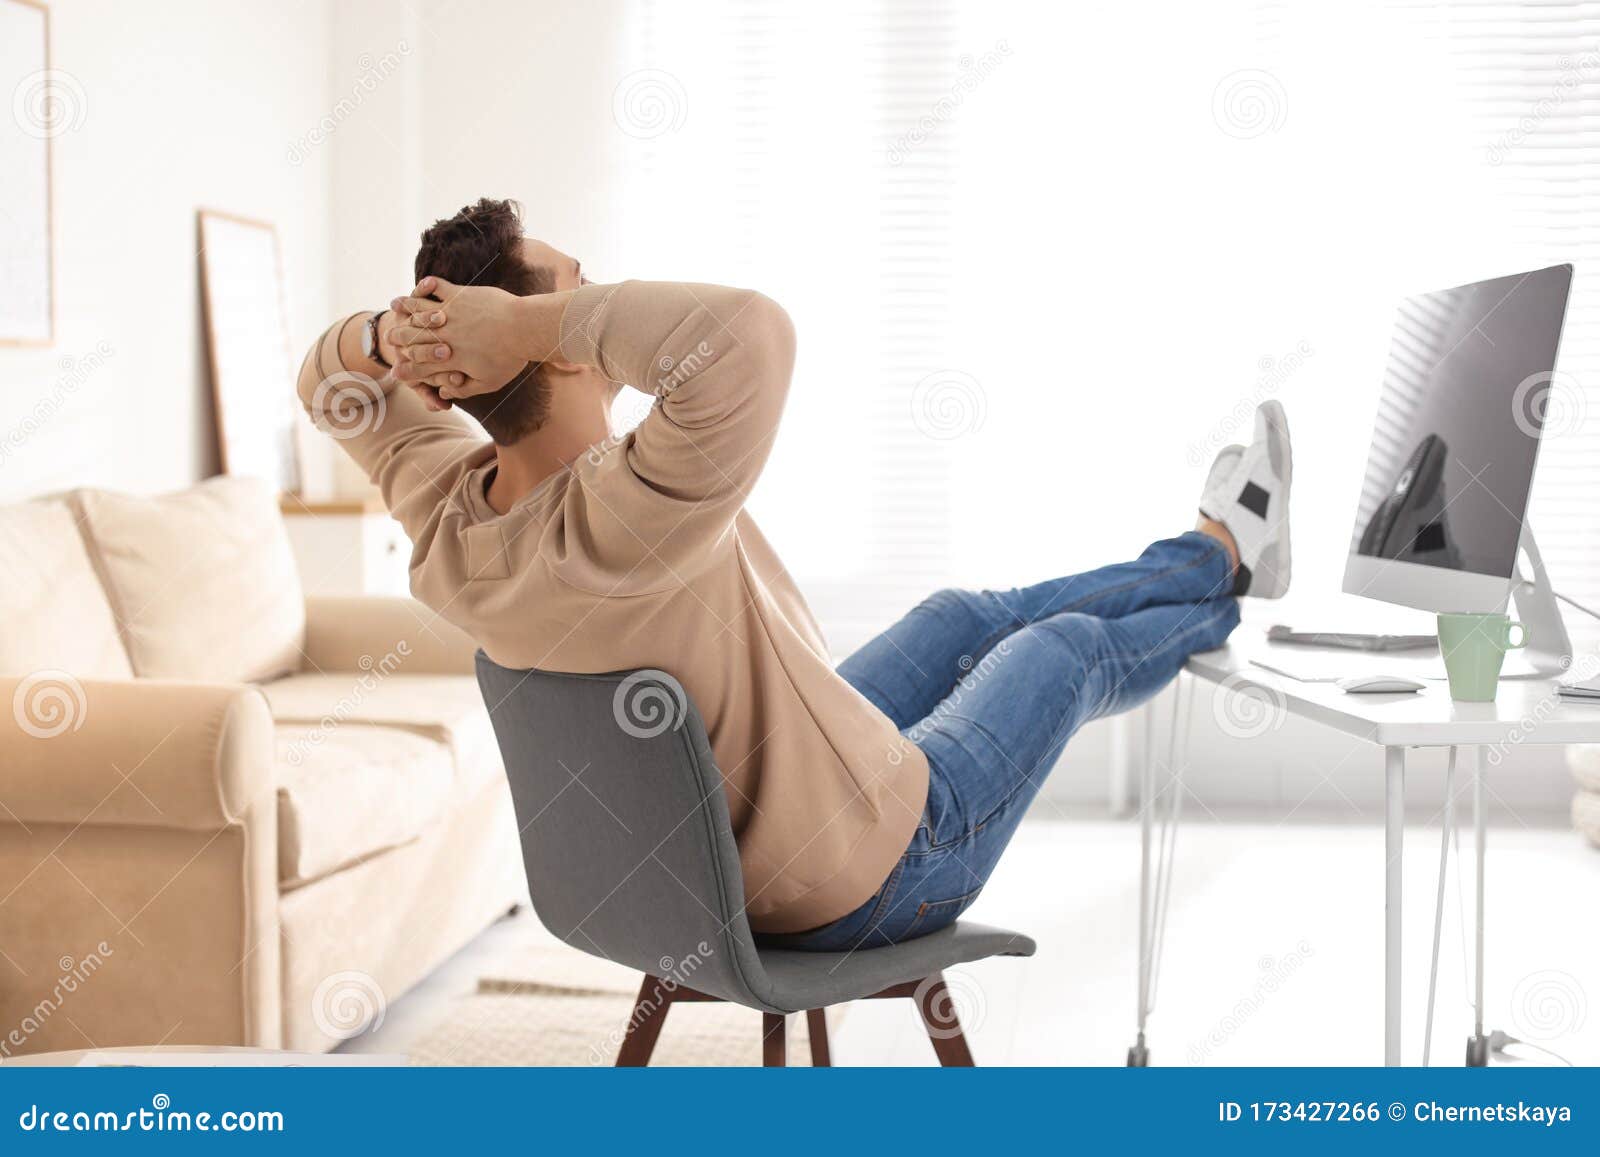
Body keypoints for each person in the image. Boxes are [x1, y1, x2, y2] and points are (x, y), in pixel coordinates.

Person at [296, 197, 1292, 951]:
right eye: (577, 288)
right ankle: (1226, 561)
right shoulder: (627, 512)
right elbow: (750, 334)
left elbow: (323, 381)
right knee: (1060, 649)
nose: (600, 298)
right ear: (537, 348)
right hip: (872, 869)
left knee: (956, 615)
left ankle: (1207, 550)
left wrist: (396, 340)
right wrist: (520, 325)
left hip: (752, 826)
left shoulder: (451, 518)